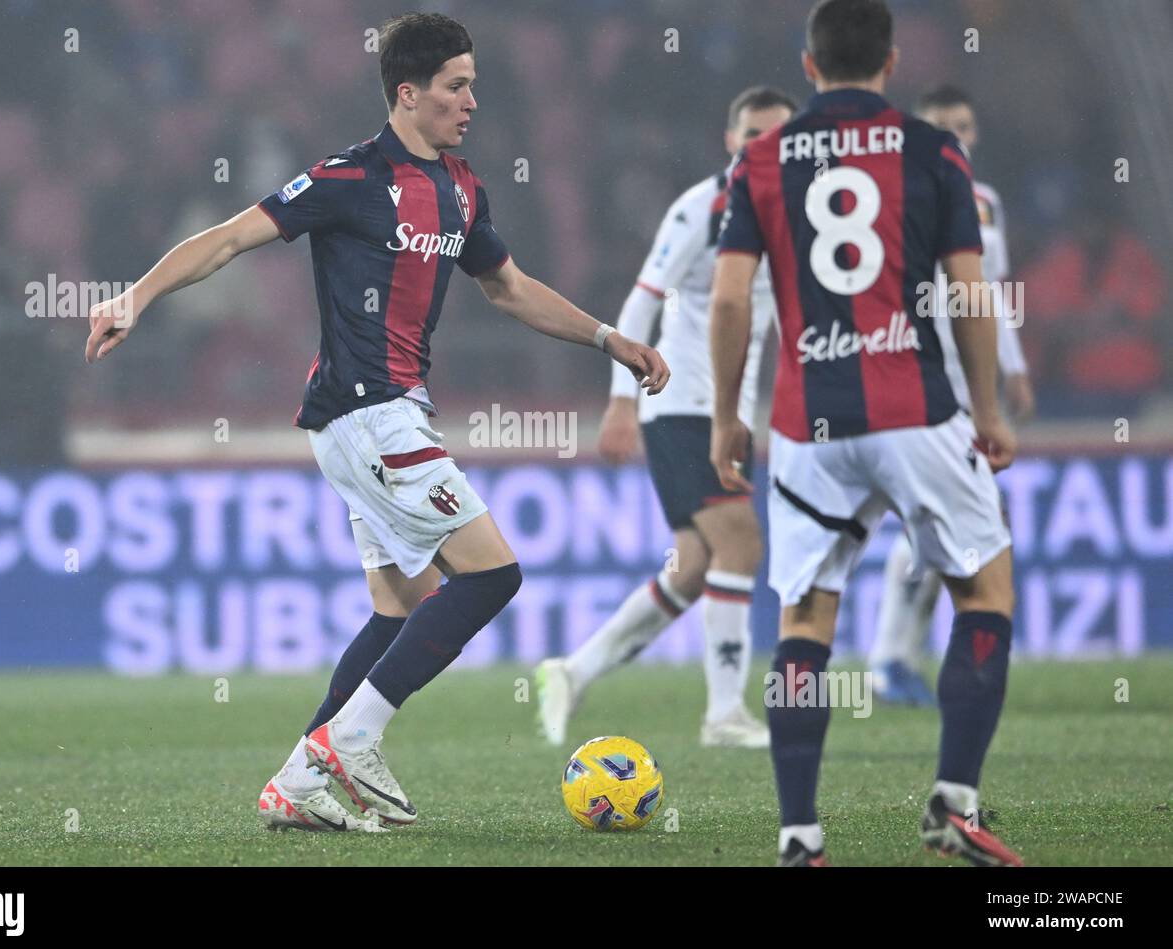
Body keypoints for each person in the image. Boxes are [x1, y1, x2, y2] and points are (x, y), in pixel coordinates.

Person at [84, 12, 668, 833]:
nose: (471, 101)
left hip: (378, 421)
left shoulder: (463, 189)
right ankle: (352, 741)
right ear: (408, 92)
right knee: (493, 577)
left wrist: (608, 338)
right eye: (456, 86)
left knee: (401, 606)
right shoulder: (350, 178)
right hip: (368, 415)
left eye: (473, 83)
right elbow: (228, 240)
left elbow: (509, 288)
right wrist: (137, 295)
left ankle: (299, 779)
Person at [709, 0, 1022, 866]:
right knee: (983, 591)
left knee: (807, 618)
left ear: (808, 67)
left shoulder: (762, 160)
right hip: (915, 406)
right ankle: (954, 801)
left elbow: (733, 297)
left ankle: (799, 836)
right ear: (891, 63)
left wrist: (728, 414)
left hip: (807, 422)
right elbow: (966, 292)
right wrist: (988, 410)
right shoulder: (933, 151)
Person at [535, 87, 797, 749]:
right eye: (755, 134)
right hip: (679, 401)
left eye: (780, 136)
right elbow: (643, 298)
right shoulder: (701, 208)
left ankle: (574, 669)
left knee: (695, 564)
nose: (768, 146)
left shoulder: (795, 212)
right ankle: (725, 715)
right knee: (740, 541)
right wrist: (622, 400)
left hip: (727, 410)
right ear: (731, 140)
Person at [869, 84, 1035, 706]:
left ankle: (897, 658)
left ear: (976, 132)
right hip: (923, 371)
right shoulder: (899, 192)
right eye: (942, 126)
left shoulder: (986, 201)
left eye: (962, 125)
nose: (955, 136)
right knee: (945, 518)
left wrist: (1012, 366)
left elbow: (990, 291)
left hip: (975, 377)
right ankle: (891, 659)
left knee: (950, 520)